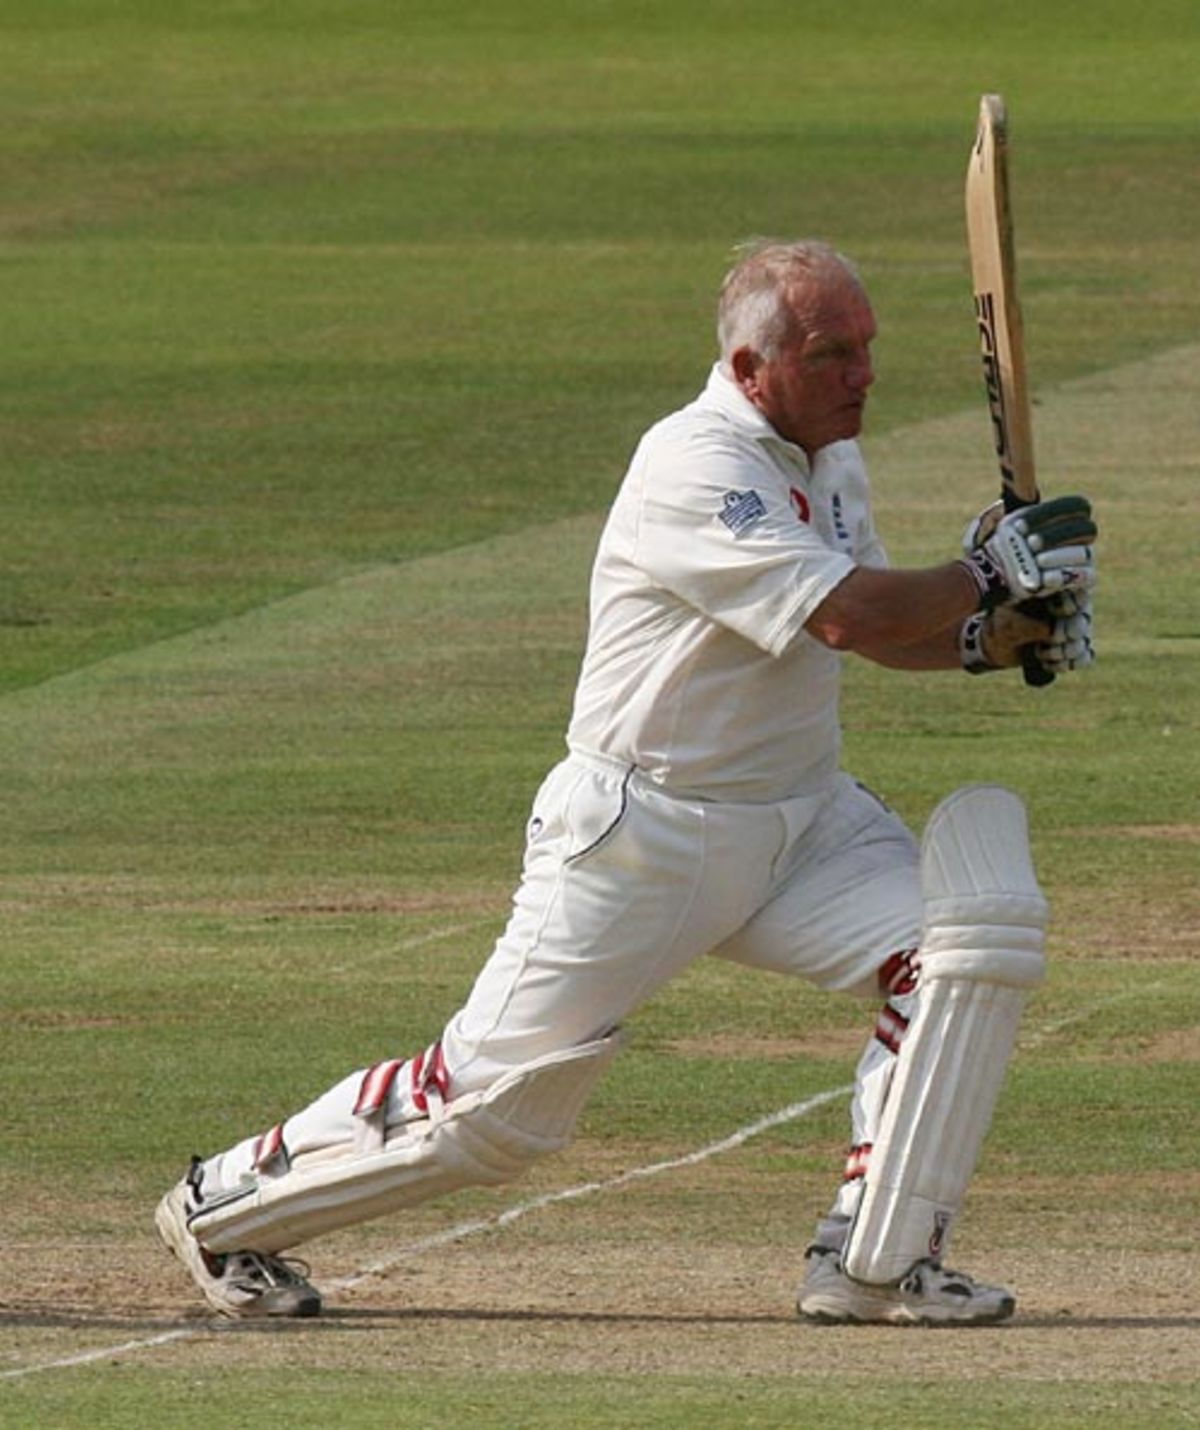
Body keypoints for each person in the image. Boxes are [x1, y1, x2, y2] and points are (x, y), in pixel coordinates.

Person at [156, 239, 1096, 1325]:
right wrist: (986, 571)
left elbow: (867, 631)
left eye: (869, 348)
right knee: (490, 1113)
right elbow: (846, 609)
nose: (864, 375)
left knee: (960, 957)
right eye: (834, 353)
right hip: (647, 833)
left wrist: (993, 636)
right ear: (751, 367)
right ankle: (223, 1204)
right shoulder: (696, 466)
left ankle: (878, 1258)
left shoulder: (828, 454)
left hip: (801, 824)